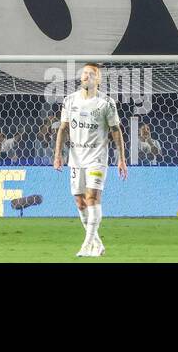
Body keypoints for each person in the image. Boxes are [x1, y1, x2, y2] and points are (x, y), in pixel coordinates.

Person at [51, 62, 127, 257]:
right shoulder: (70, 100)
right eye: (84, 73)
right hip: (76, 159)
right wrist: (58, 155)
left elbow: (116, 131)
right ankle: (97, 243)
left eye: (91, 74)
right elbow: (63, 129)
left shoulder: (106, 103)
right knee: (79, 201)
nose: (86, 76)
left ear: (98, 79)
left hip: (97, 158)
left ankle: (86, 245)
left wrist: (121, 159)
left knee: (92, 198)